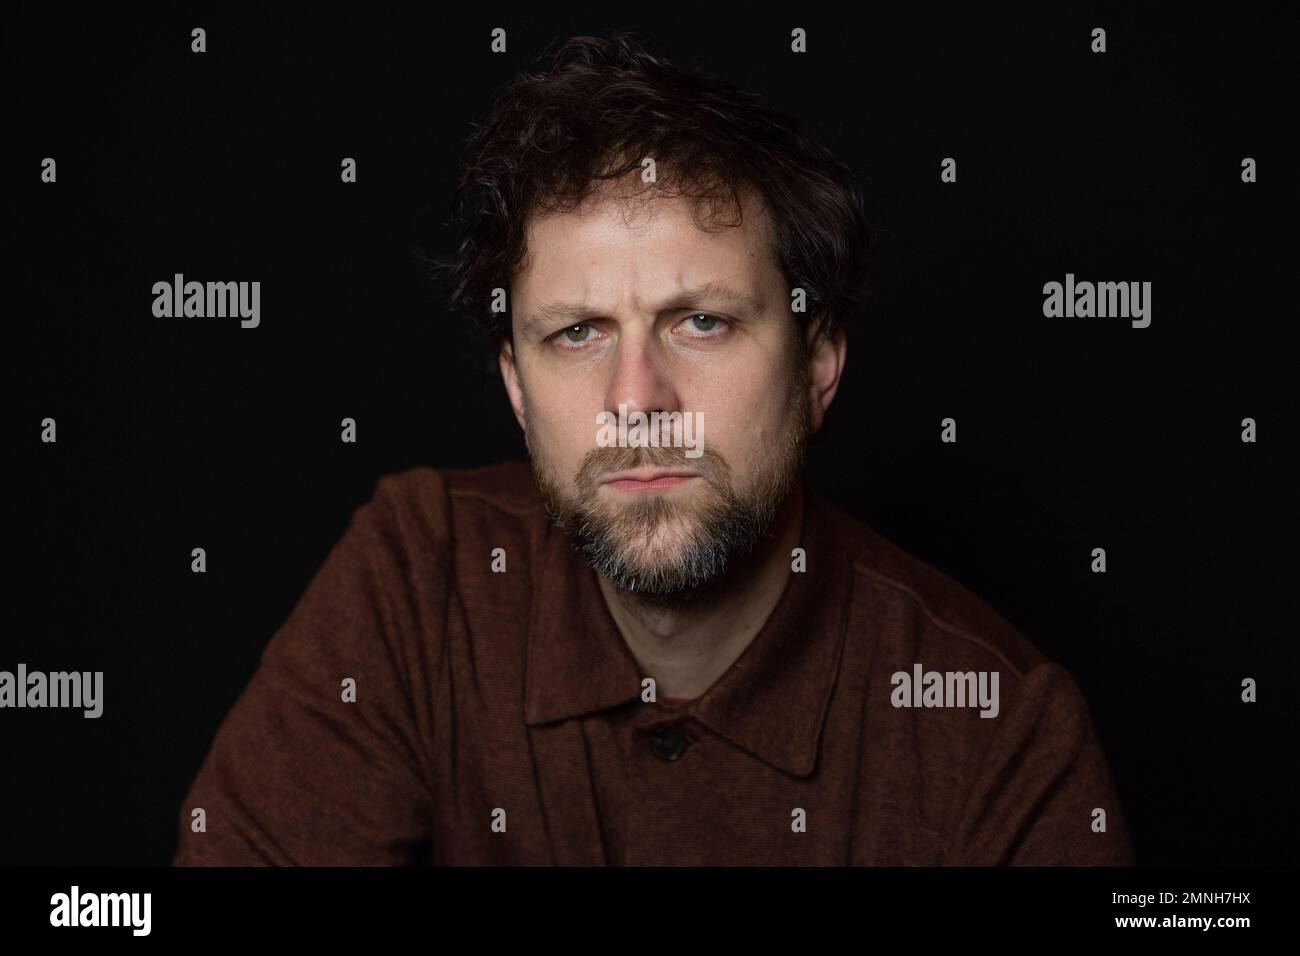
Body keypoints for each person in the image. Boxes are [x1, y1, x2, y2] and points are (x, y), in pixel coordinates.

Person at [174, 31, 1133, 866]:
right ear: (516, 385)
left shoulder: (1001, 734)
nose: (637, 403)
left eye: (702, 322)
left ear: (819, 365)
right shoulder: (419, 574)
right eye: (576, 334)